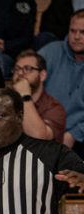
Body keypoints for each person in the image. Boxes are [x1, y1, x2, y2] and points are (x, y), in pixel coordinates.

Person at [39, 9, 84, 158]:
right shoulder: (50, 52)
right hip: (44, 129)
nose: (77, 37)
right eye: (73, 31)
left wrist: (74, 134)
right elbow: (26, 84)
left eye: (83, 32)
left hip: (79, 135)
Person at [12, 50, 67, 143]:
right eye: (17, 69)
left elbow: (38, 137)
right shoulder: (5, 100)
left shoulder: (55, 108)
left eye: (28, 69)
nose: (20, 73)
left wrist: (25, 97)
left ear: (42, 75)